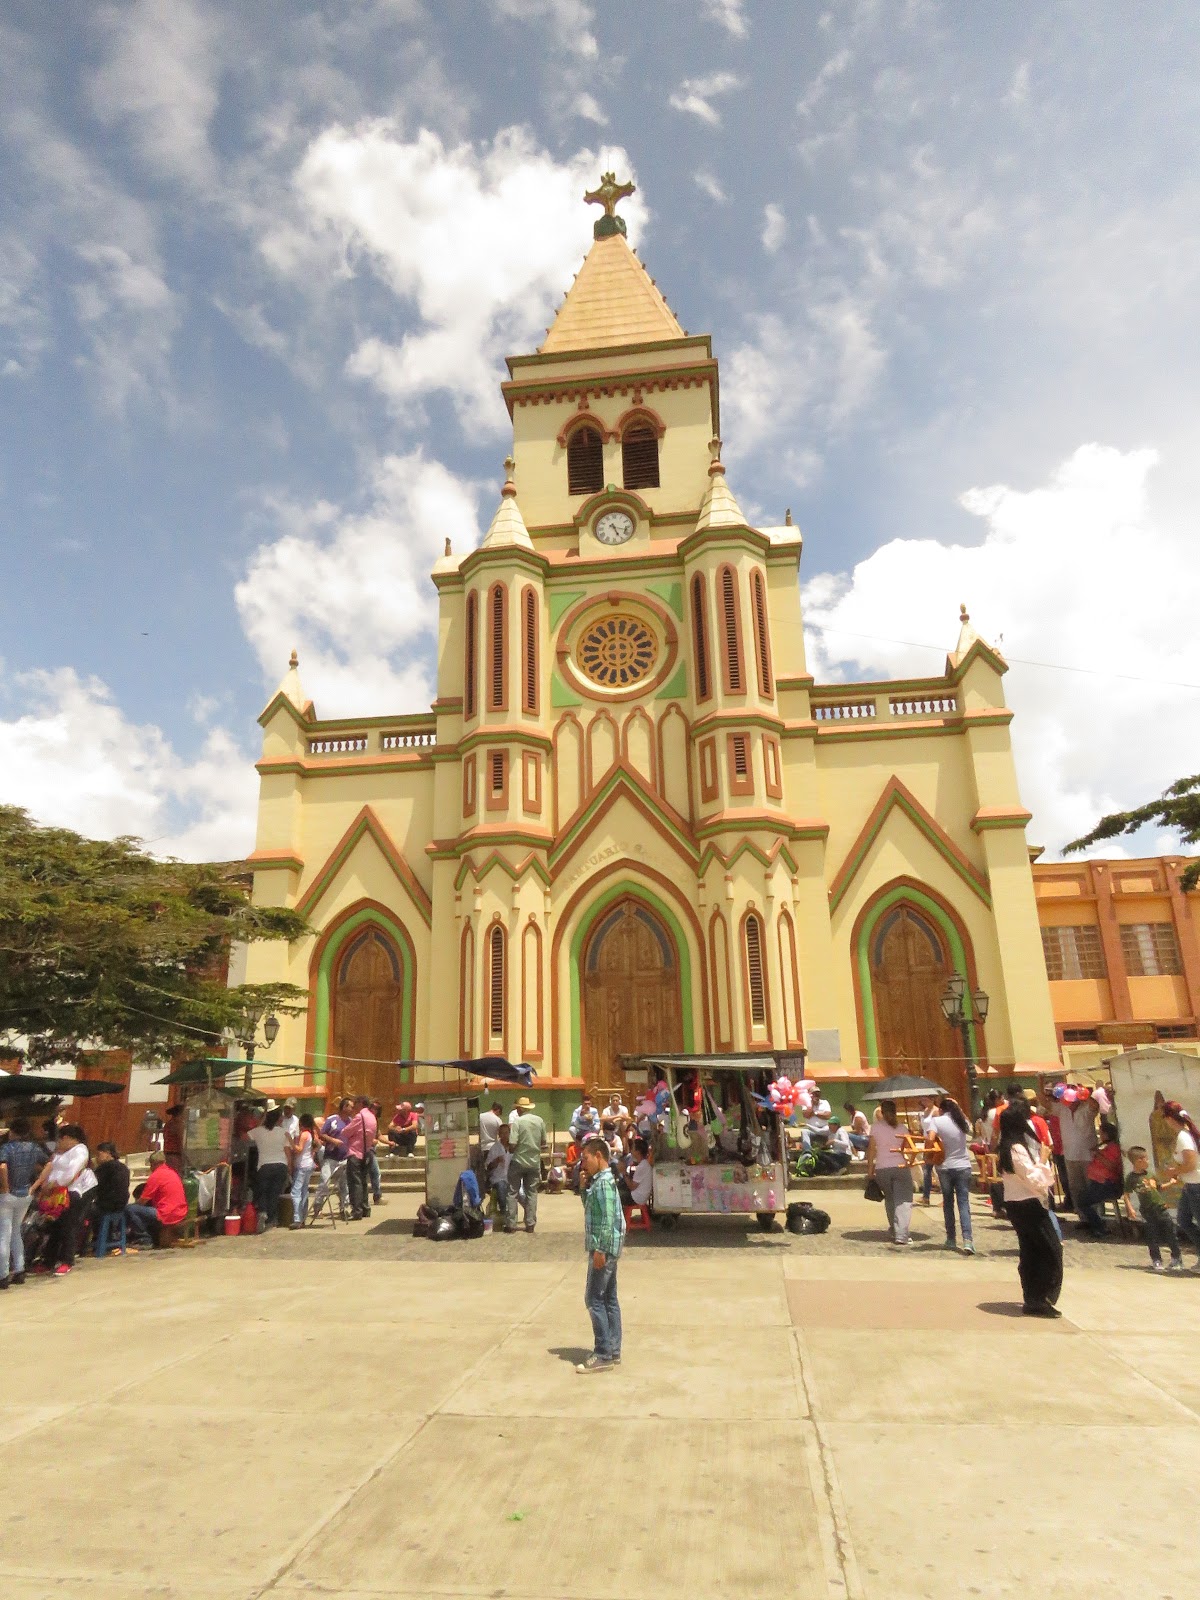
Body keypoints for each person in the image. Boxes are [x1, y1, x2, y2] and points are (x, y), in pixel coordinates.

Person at [997, 1103, 1062, 1317]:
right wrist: (1042, 1159)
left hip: (1017, 1203)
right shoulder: (1015, 1148)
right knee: (1049, 1250)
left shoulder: (1007, 1146)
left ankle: (1034, 1298)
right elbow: (1032, 1178)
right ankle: (1040, 1297)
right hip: (1028, 1203)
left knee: (1032, 1251)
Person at [576, 1136, 627, 1373]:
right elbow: (591, 1208)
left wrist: (601, 1250)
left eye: (585, 1158)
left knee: (594, 1299)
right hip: (606, 1247)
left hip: (603, 1248)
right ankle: (613, 1349)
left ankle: (603, 1353)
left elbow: (607, 1219)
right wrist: (583, 1187)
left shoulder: (605, 1183)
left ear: (598, 1156)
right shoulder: (599, 1182)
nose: (583, 1163)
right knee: (608, 1298)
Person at [30, 1124, 94, 1276]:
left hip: (72, 1192)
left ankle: (67, 1260)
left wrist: (54, 1184)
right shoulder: (62, 1152)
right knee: (54, 1226)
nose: (59, 1142)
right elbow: (51, 1167)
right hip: (55, 1193)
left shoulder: (80, 1151)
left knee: (68, 1226)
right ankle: (48, 1260)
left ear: (68, 1138)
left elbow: (70, 1174)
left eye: (61, 1139)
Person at [0, 1116, 44, 1288]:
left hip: (7, 1195)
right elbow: (49, 1163)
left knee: (4, 1234)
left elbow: (2, 1166)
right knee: (16, 1232)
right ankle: (19, 1270)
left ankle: (3, 1274)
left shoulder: (6, 1148)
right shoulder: (34, 1147)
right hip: (26, 1193)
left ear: (12, 1131)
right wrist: (35, 1185)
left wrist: (5, 1186)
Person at [1123, 1144, 1183, 1272]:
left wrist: (1171, 1183)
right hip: (1147, 1210)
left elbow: (1159, 1188)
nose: (1148, 1162)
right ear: (1139, 1161)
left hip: (1160, 1208)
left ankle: (1176, 1258)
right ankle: (1156, 1260)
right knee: (1152, 1235)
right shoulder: (1131, 1178)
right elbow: (1126, 1194)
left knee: (1170, 1233)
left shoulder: (1150, 1174)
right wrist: (1130, 1209)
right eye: (1146, 1159)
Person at [928, 1096, 974, 1254]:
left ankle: (951, 1238)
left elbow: (930, 1139)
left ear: (941, 1109)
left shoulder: (937, 1121)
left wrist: (929, 1155)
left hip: (945, 1166)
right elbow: (971, 1130)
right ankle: (968, 1240)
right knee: (963, 1203)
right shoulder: (962, 1121)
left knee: (948, 1203)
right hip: (963, 1165)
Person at [866, 1100, 914, 1247]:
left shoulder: (875, 1128)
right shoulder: (902, 1128)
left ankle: (893, 1228)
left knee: (890, 1199)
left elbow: (871, 1149)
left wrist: (870, 1169)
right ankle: (901, 1234)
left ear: (881, 1112)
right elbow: (907, 1148)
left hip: (882, 1168)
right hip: (900, 1166)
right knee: (903, 1201)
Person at [1161, 1100, 1200, 1267]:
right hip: (1190, 1184)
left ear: (1169, 1118)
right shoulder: (1186, 1134)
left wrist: (1174, 1171)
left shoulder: (1184, 1137)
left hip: (1196, 1184)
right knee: (1184, 1220)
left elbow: (1191, 1164)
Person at [125, 1150, 188, 1247]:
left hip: (166, 1214)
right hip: (181, 1211)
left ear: (153, 1164)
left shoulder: (156, 1176)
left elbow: (143, 1201)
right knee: (141, 1211)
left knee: (130, 1209)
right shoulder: (172, 1173)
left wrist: (134, 1205)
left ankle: (144, 1240)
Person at [505, 1096, 546, 1234]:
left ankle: (511, 1224)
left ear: (520, 1109)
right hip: (534, 1162)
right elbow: (543, 1142)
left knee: (512, 1192)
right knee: (532, 1193)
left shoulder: (518, 1122)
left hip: (519, 1160)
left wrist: (511, 1149)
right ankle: (530, 1224)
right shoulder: (539, 1121)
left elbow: (512, 1144)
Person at [1058, 1082, 1100, 1217]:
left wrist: (1084, 1094)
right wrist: (1043, 1083)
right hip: (1070, 1155)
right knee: (1076, 1188)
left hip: (1088, 1155)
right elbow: (1044, 1102)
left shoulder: (1086, 1108)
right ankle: (1082, 1216)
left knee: (1091, 1186)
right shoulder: (1062, 1109)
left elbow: (1095, 1106)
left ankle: (1096, 1216)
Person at [1077, 1119, 1124, 1237]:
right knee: (1082, 1198)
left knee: (1083, 1202)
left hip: (1107, 1184)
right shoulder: (1106, 1146)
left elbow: (1111, 1166)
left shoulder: (1113, 1148)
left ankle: (1099, 1228)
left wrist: (1098, 1154)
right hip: (1098, 1182)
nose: (1100, 1136)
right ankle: (1096, 1225)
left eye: (1102, 1133)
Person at [249, 1107, 290, 1231]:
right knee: (274, 1193)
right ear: (278, 1119)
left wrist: (262, 1121)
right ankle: (271, 1220)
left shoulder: (258, 1131)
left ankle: (262, 1211)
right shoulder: (284, 1132)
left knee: (262, 1192)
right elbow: (288, 1152)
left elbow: (246, 1136)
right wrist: (290, 1167)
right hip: (281, 1165)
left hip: (264, 1166)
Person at [314, 1097, 352, 1217]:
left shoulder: (351, 1122)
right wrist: (333, 1141)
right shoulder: (332, 1120)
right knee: (325, 1181)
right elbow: (322, 1134)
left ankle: (344, 1207)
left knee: (344, 1184)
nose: (352, 1109)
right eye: (350, 1106)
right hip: (331, 1157)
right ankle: (317, 1206)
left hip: (344, 1157)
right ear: (344, 1107)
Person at [344, 1096, 378, 1221]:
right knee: (363, 1181)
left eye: (356, 1103)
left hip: (356, 1152)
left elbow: (346, 1132)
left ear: (361, 1103)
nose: (354, 1106)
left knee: (355, 1183)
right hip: (367, 1152)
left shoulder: (360, 1117)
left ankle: (357, 1210)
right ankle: (365, 1208)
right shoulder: (372, 1116)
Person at [92, 1142, 130, 1232]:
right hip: (121, 1205)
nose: (96, 1158)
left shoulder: (104, 1168)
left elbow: (94, 1187)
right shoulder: (124, 1167)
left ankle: (92, 1236)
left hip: (107, 1206)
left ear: (108, 1153)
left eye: (99, 1154)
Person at [289, 1113, 318, 1228]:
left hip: (302, 1165)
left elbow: (299, 1149)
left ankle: (297, 1218)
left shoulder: (304, 1134)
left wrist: (290, 1141)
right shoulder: (311, 1134)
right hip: (308, 1164)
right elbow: (317, 1146)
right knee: (304, 1191)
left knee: (296, 1192)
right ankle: (303, 1216)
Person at [485, 1125, 511, 1216]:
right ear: (499, 1134)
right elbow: (488, 1167)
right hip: (498, 1178)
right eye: (502, 1133)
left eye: (506, 1133)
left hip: (512, 1177)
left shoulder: (513, 1147)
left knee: (522, 1195)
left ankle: (528, 1216)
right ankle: (504, 1213)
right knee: (501, 1188)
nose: (504, 1135)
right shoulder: (494, 1148)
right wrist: (496, 1161)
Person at [628, 1136, 654, 1207]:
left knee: (618, 1194)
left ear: (638, 1152)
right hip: (640, 1196)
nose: (631, 1151)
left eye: (632, 1148)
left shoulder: (642, 1166)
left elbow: (632, 1187)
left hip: (637, 1198)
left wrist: (624, 1172)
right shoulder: (644, 1164)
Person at [162, 1104, 185, 1172]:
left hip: (168, 1153)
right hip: (175, 1154)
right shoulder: (177, 1124)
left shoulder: (168, 1124)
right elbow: (181, 1139)